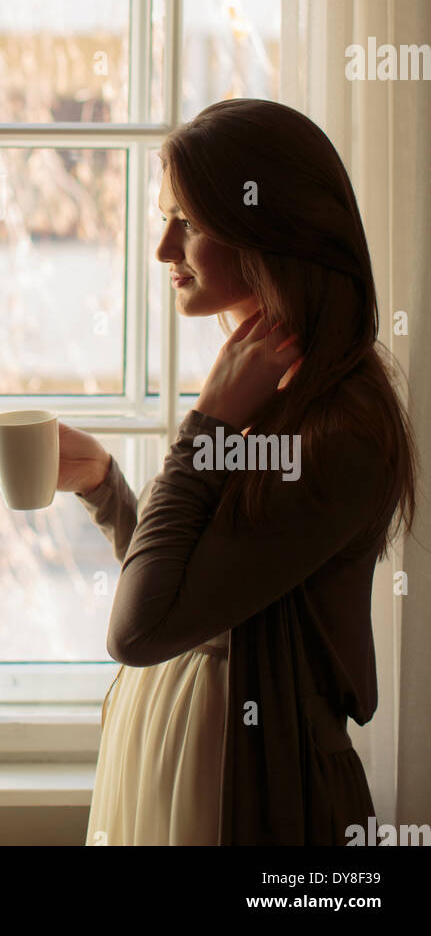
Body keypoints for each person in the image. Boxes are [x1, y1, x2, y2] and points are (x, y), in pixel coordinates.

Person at [56, 99, 417, 845]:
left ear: (266, 230)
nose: (162, 249)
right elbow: (195, 595)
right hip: (182, 772)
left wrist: (203, 429)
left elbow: (138, 631)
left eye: (186, 221)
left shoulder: (338, 432)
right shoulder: (271, 388)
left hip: (247, 798)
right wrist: (105, 489)